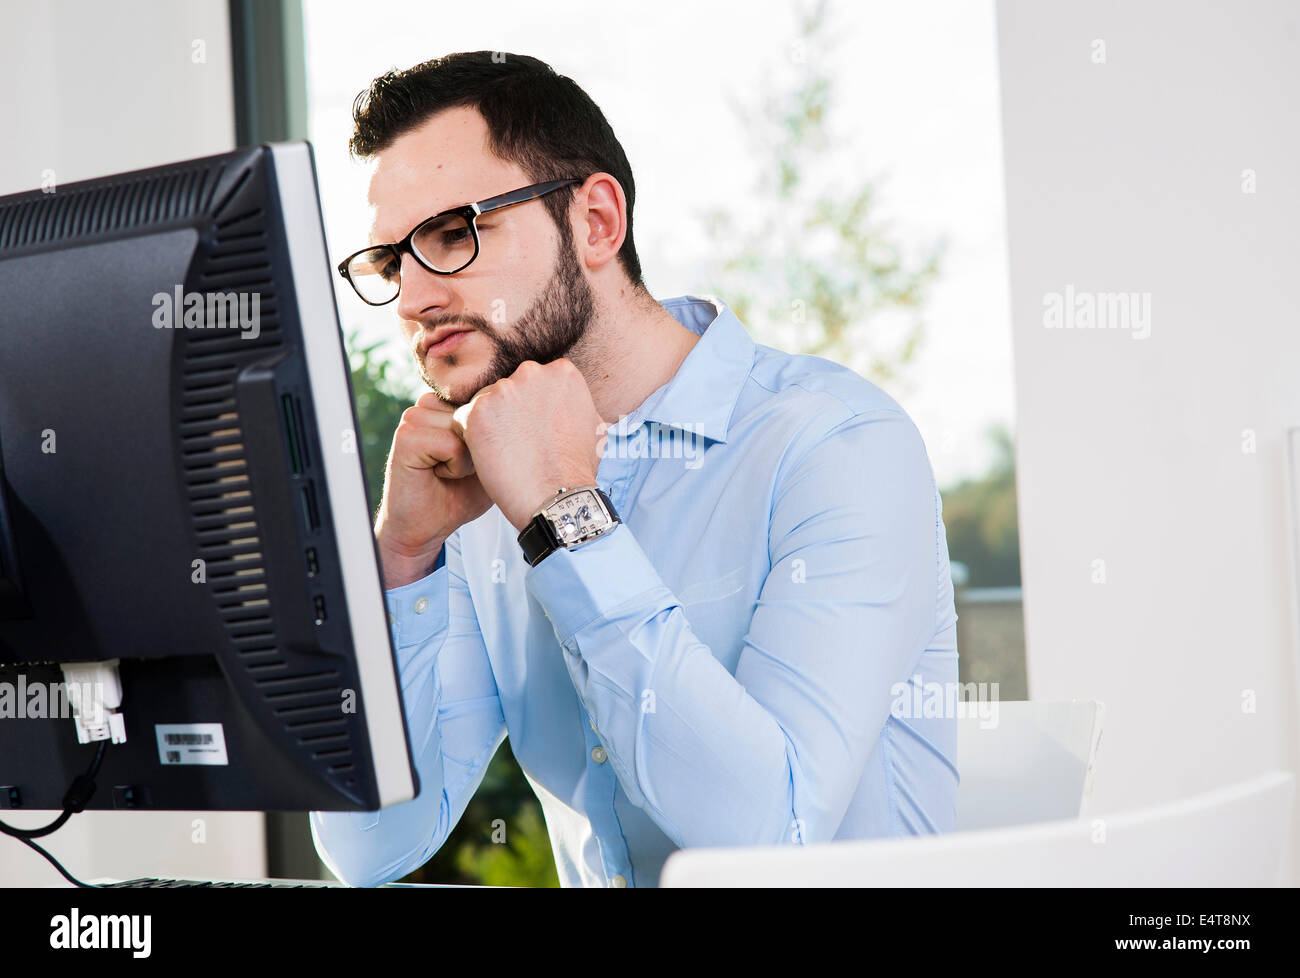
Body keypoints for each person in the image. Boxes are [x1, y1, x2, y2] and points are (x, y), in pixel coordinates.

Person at [311, 51, 959, 888]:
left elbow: (772, 836)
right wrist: (400, 559)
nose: (411, 300)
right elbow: (369, 849)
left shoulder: (836, 444)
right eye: (393, 263)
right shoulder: (473, 505)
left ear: (596, 223)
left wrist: (561, 516)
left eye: (452, 235)